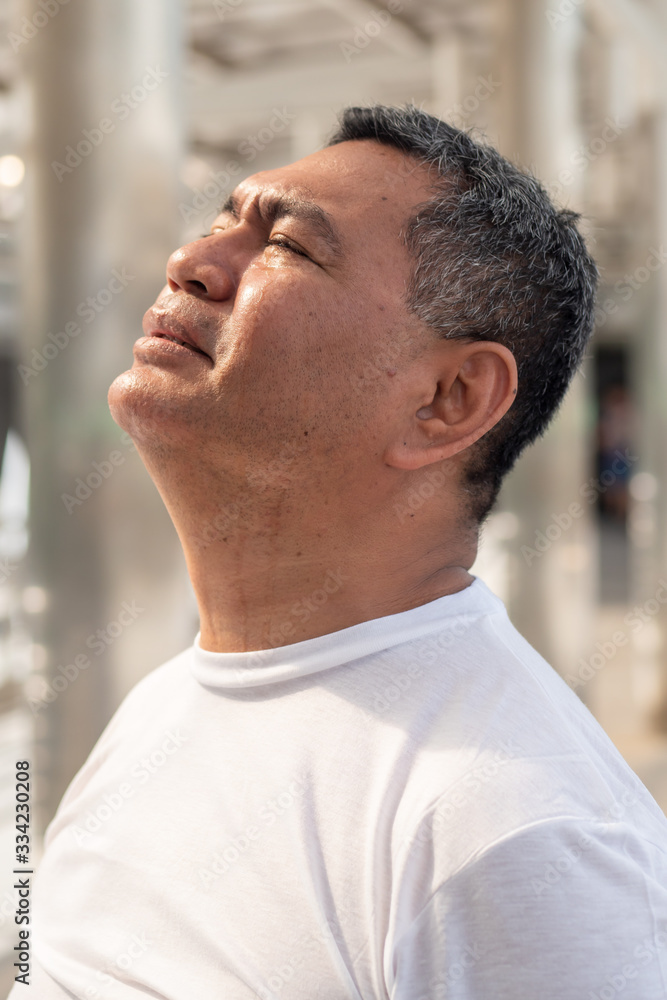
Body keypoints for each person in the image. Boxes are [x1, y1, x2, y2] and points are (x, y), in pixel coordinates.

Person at [19, 105, 667, 999]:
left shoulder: (516, 832)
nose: (191, 262)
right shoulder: (173, 697)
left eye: (286, 246)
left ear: (448, 398)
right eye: (220, 223)